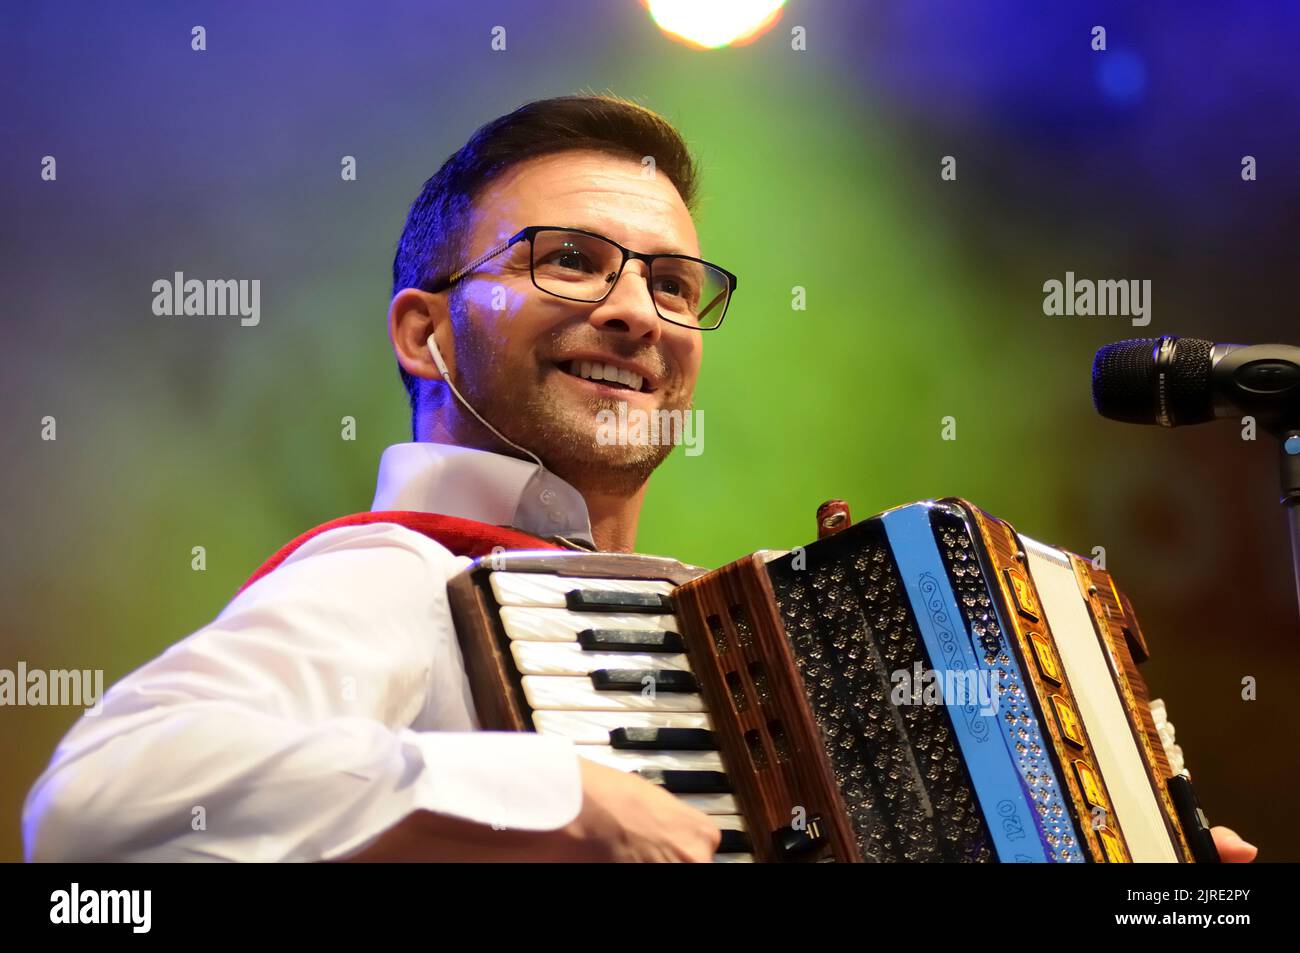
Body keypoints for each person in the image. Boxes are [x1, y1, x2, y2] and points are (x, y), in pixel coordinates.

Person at [22, 94, 1256, 864]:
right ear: (422, 332)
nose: (633, 310)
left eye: (671, 283)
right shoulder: (391, 582)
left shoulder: (690, 619)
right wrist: (553, 784)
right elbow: (96, 805)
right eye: (571, 261)